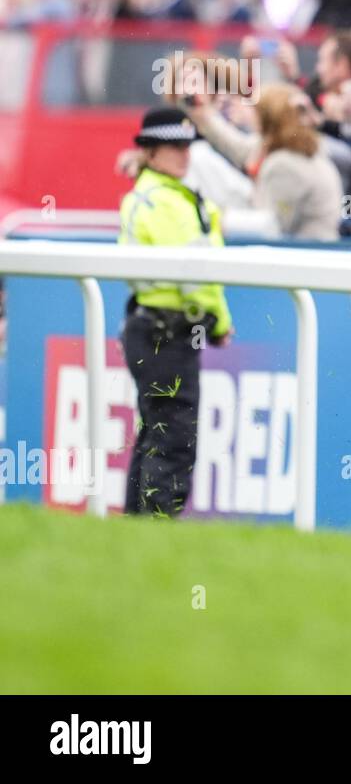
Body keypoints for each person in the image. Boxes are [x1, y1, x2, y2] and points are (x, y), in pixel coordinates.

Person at [118, 107, 233, 516]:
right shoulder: (162, 199)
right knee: (173, 439)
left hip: (162, 330)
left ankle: (137, 530)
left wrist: (217, 320)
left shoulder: (171, 194)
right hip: (165, 333)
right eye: (173, 146)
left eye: (187, 145)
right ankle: (155, 530)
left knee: (158, 431)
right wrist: (217, 318)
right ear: (149, 152)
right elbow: (192, 276)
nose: (184, 154)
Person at [187, 84, 344, 240]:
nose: (252, 115)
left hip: (307, 253)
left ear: (269, 119)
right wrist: (205, 115)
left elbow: (273, 226)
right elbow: (237, 146)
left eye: (257, 111)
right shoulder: (288, 149)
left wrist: (220, 221)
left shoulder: (284, 165)